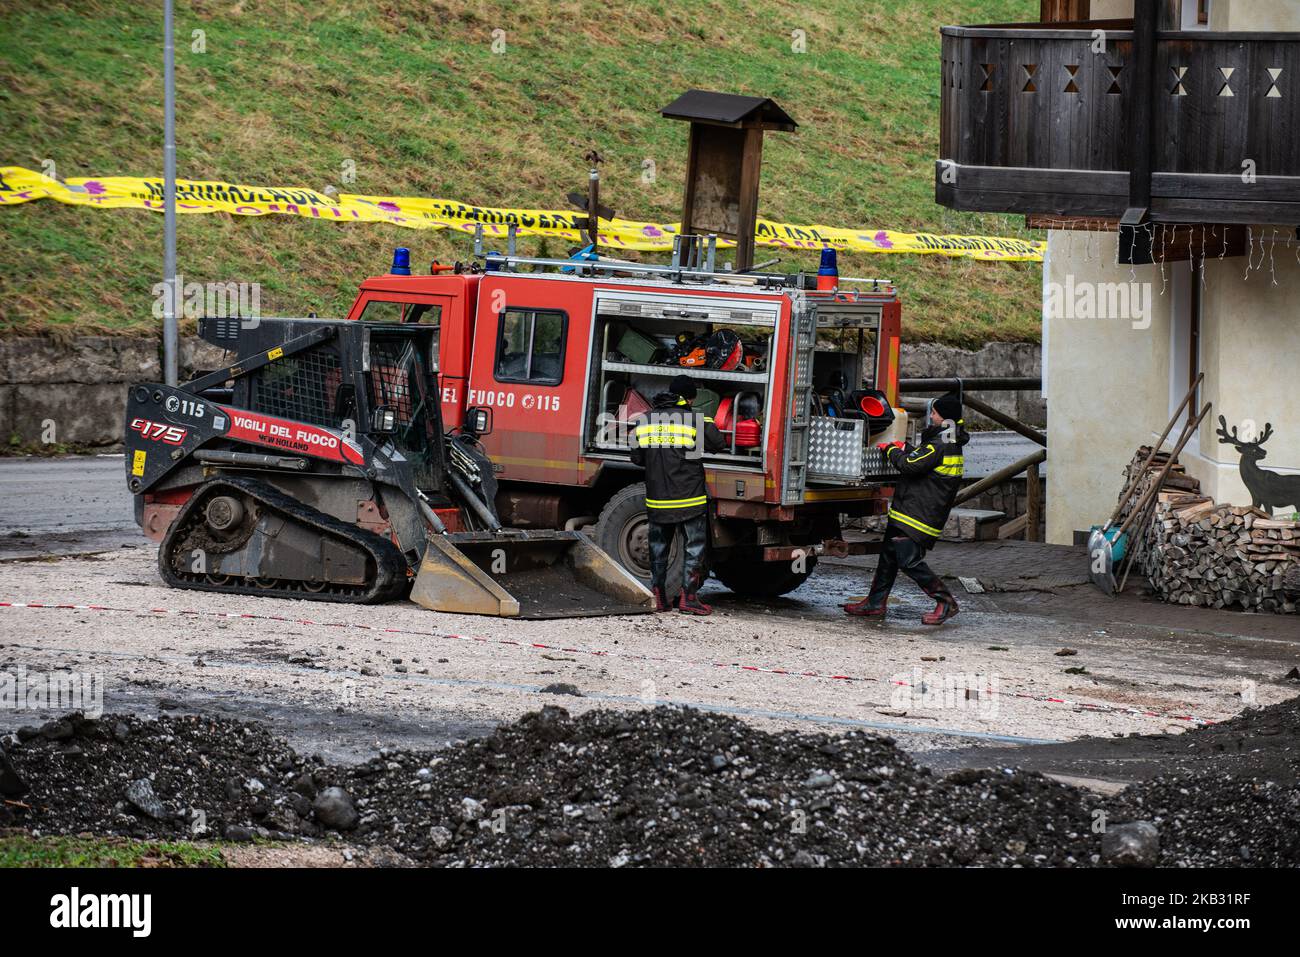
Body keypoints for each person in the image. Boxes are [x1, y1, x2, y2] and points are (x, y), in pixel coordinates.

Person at [845, 391, 969, 625]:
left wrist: (891, 450)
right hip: (912, 511)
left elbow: (910, 466)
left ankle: (945, 601)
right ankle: (874, 603)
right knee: (889, 556)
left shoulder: (941, 442)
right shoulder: (947, 440)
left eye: (934, 413)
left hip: (918, 515)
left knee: (908, 560)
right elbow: (925, 461)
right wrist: (908, 446)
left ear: (946, 418)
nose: (931, 416)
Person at [629, 375, 727, 614]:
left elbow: (637, 458)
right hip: (690, 497)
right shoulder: (695, 419)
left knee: (658, 547)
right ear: (689, 398)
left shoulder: (645, 421)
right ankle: (689, 598)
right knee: (694, 547)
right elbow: (718, 443)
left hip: (657, 497)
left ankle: (659, 597)